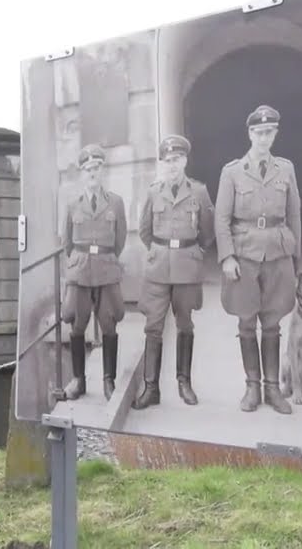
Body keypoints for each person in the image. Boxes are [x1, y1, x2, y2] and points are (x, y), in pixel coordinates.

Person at [215, 105, 301, 414]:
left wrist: (296, 259)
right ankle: (252, 387)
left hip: (278, 253)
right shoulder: (233, 172)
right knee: (247, 321)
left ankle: (273, 389)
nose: (264, 138)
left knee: (274, 321)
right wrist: (227, 256)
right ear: (250, 134)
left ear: (275, 134)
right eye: (259, 133)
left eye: (270, 132)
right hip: (245, 254)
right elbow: (221, 219)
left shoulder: (286, 169)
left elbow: (294, 215)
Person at [131, 134, 215, 410]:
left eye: (176, 159)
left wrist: (192, 252)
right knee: (153, 326)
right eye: (167, 161)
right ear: (162, 164)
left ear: (185, 160)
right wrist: (160, 250)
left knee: (185, 324)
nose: (172, 165)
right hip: (158, 269)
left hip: (187, 268)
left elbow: (207, 232)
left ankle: (184, 383)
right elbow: (145, 230)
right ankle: (151, 388)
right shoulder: (154, 191)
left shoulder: (199, 192)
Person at [61, 143, 128, 401]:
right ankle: (78, 381)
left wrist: (106, 258)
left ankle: (108, 381)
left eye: (96, 168)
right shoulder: (71, 205)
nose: (92, 173)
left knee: (109, 323)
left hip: (106, 270)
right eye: (87, 169)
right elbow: (66, 241)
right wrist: (81, 260)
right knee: (77, 325)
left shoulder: (116, 203)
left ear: (103, 171)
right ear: (81, 173)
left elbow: (120, 239)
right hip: (79, 272)